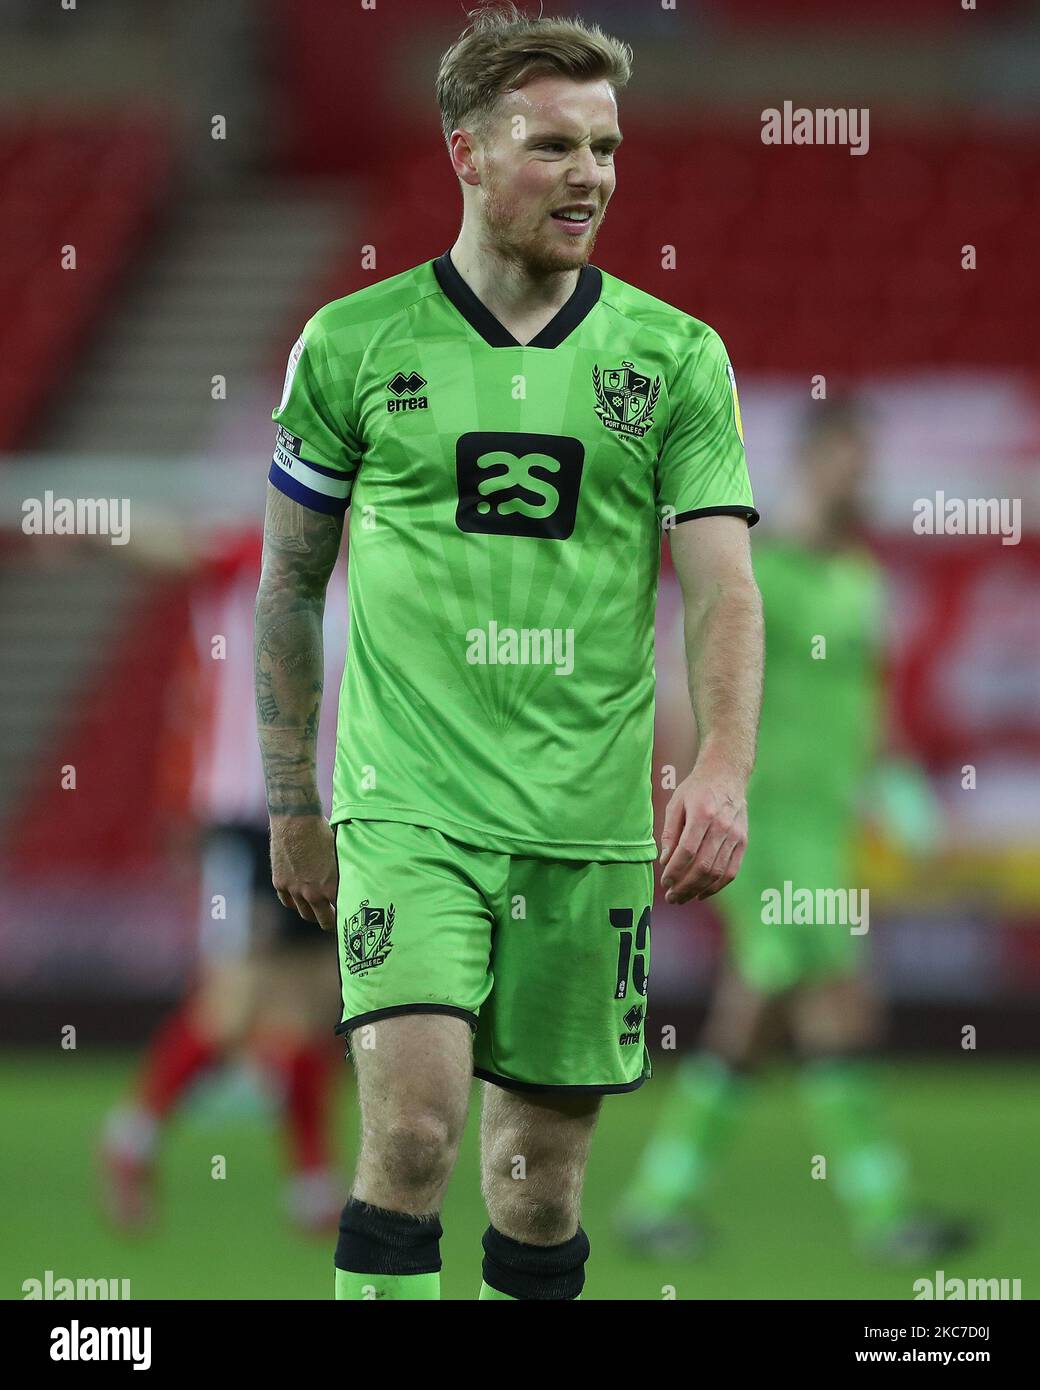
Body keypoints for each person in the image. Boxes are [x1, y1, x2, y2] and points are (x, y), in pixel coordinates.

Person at [255, 2, 763, 1301]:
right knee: (415, 1130)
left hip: (587, 822)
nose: (588, 174)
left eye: (604, 147)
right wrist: (294, 801)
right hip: (409, 806)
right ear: (468, 154)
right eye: (552, 145)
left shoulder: (676, 357)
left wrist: (720, 768)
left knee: (538, 1178)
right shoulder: (353, 343)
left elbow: (723, 589)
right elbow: (287, 589)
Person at [617, 398, 974, 1263]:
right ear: (811, 466)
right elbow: (679, 690)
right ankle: (885, 1218)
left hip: (827, 831)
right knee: (826, 999)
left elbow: (871, 710)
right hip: (760, 827)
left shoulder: (862, 582)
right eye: (848, 463)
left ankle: (660, 1200)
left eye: (867, 465)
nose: (863, 481)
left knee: (770, 1008)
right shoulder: (754, 576)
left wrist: (901, 794)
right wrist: (675, 801)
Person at [100, 528, 346, 1234]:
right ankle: (131, 1138)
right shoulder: (265, 559)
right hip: (250, 815)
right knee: (238, 1002)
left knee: (312, 1005)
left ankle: (310, 1187)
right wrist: (89, 523)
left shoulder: (380, 579)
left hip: (332, 820)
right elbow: (170, 545)